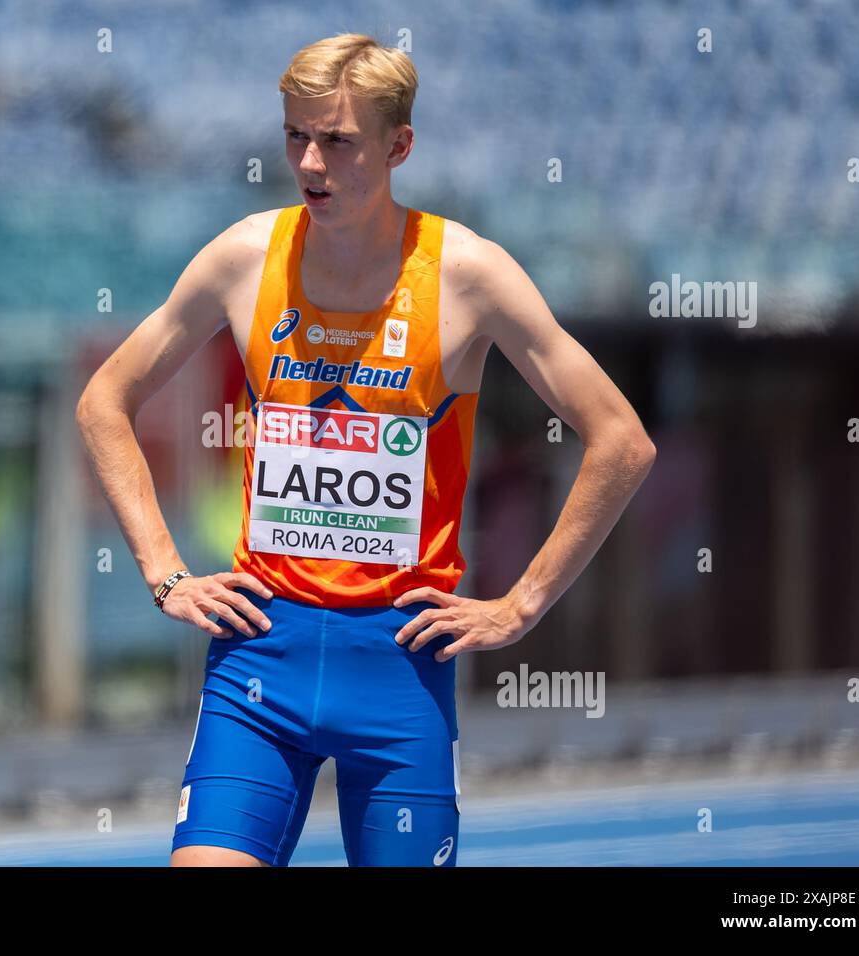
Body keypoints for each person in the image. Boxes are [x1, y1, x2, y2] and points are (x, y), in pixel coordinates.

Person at [76, 33, 656, 867]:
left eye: (338, 141)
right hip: (259, 658)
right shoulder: (245, 258)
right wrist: (165, 571)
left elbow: (622, 441)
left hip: (398, 668)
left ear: (399, 146)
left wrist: (521, 604)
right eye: (294, 136)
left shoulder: (468, 275)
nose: (310, 162)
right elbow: (105, 401)